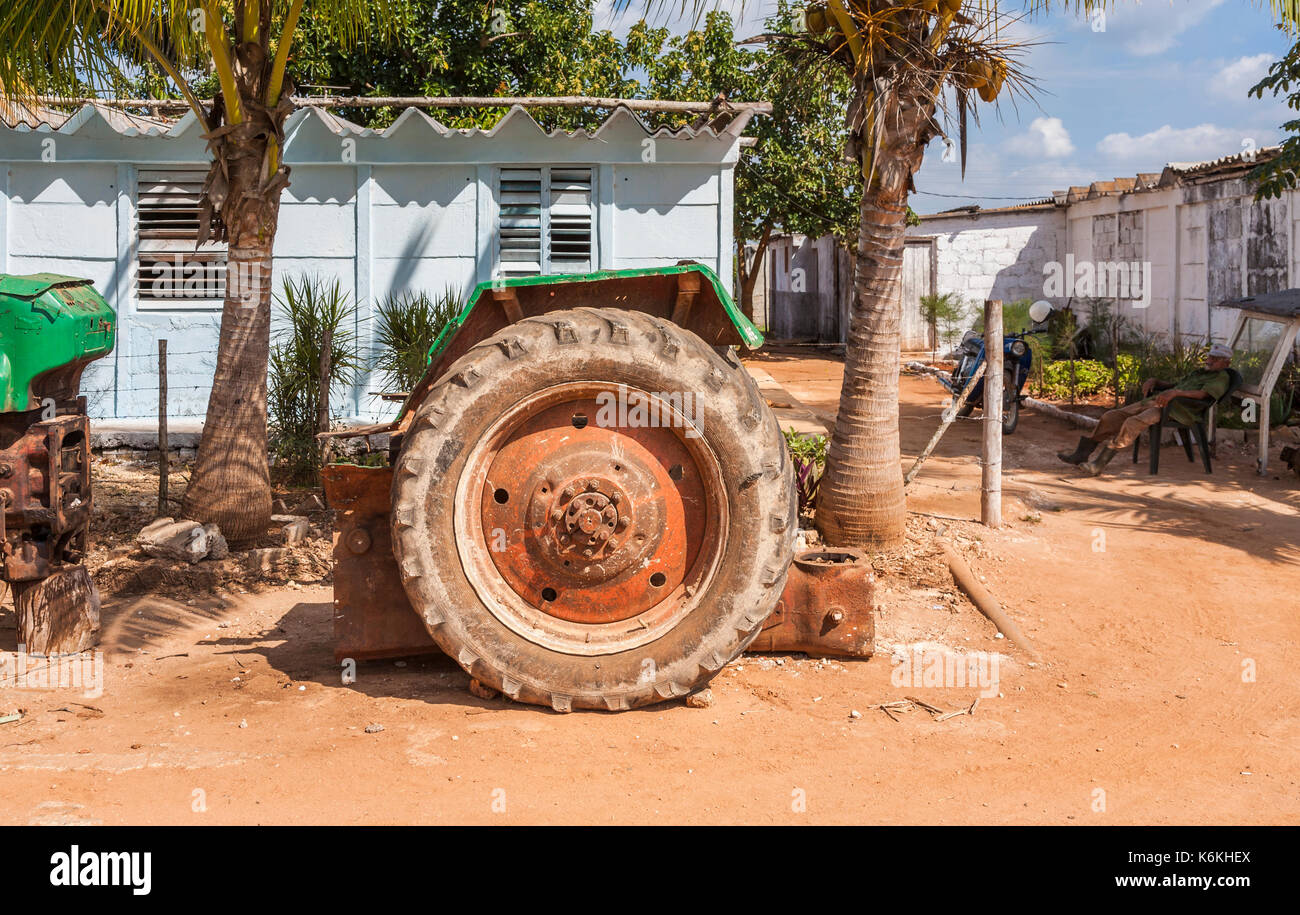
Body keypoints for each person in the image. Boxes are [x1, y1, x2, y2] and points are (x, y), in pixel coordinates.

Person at [1057, 343, 1234, 475]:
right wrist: (1156, 381)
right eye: (1210, 356)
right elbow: (1174, 385)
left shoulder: (1221, 377)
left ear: (1226, 363)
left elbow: (1203, 395)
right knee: (1111, 416)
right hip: (1157, 401)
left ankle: (1099, 464)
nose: (1210, 361)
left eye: (1215, 359)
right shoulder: (1199, 373)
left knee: (1132, 423)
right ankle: (1082, 454)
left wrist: (1177, 393)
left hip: (1178, 410)